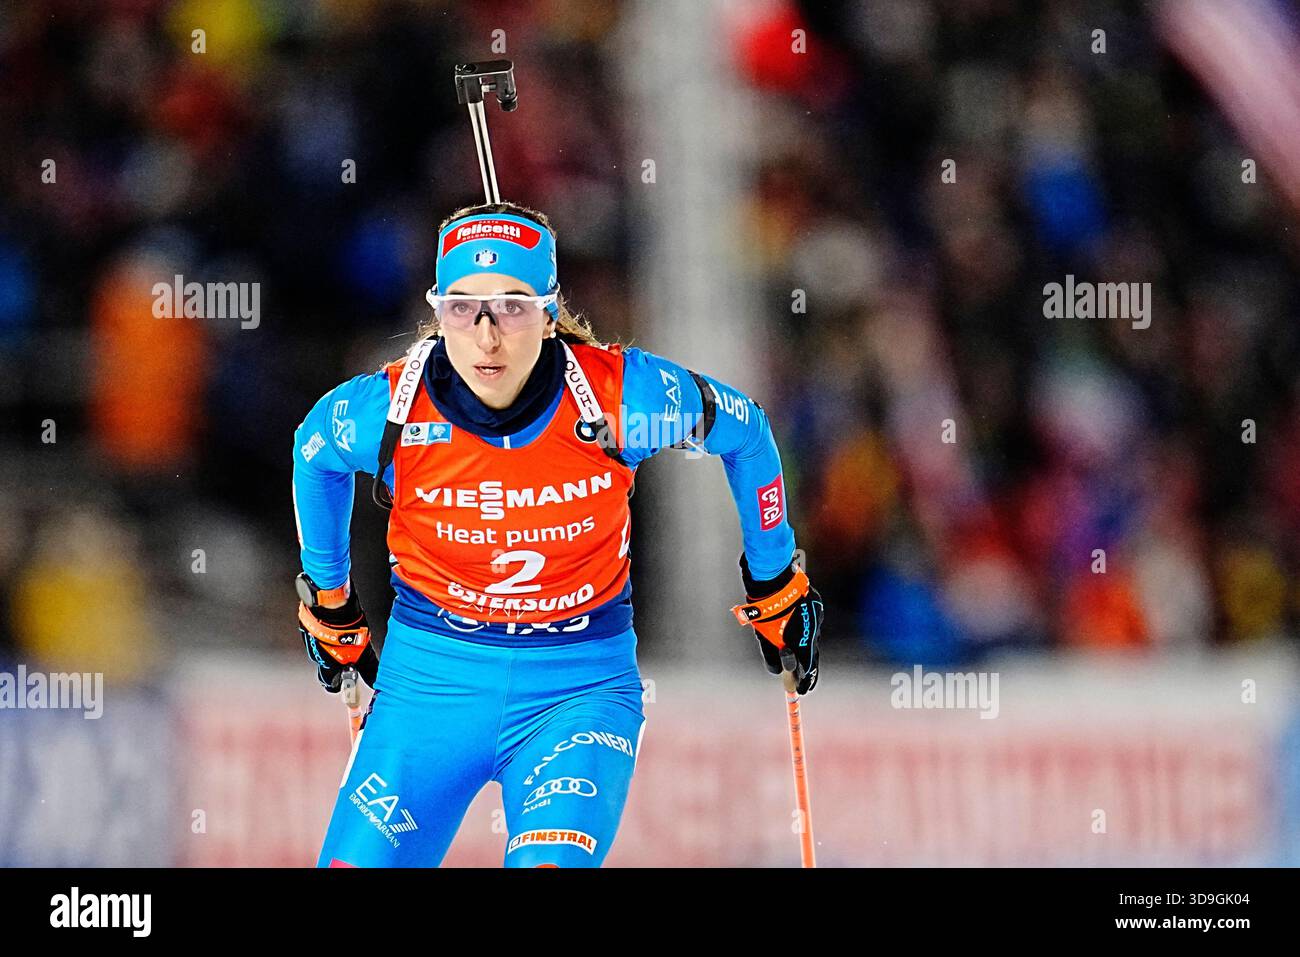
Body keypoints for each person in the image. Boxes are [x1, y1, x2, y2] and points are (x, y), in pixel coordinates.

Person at [292, 201, 823, 867]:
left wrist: (774, 578)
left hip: (575, 696)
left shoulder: (617, 400)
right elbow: (314, 451)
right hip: (428, 692)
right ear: (439, 312)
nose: (487, 337)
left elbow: (745, 430)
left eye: (513, 307)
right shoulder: (392, 411)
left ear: (549, 314)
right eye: (463, 307)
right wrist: (330, 598)